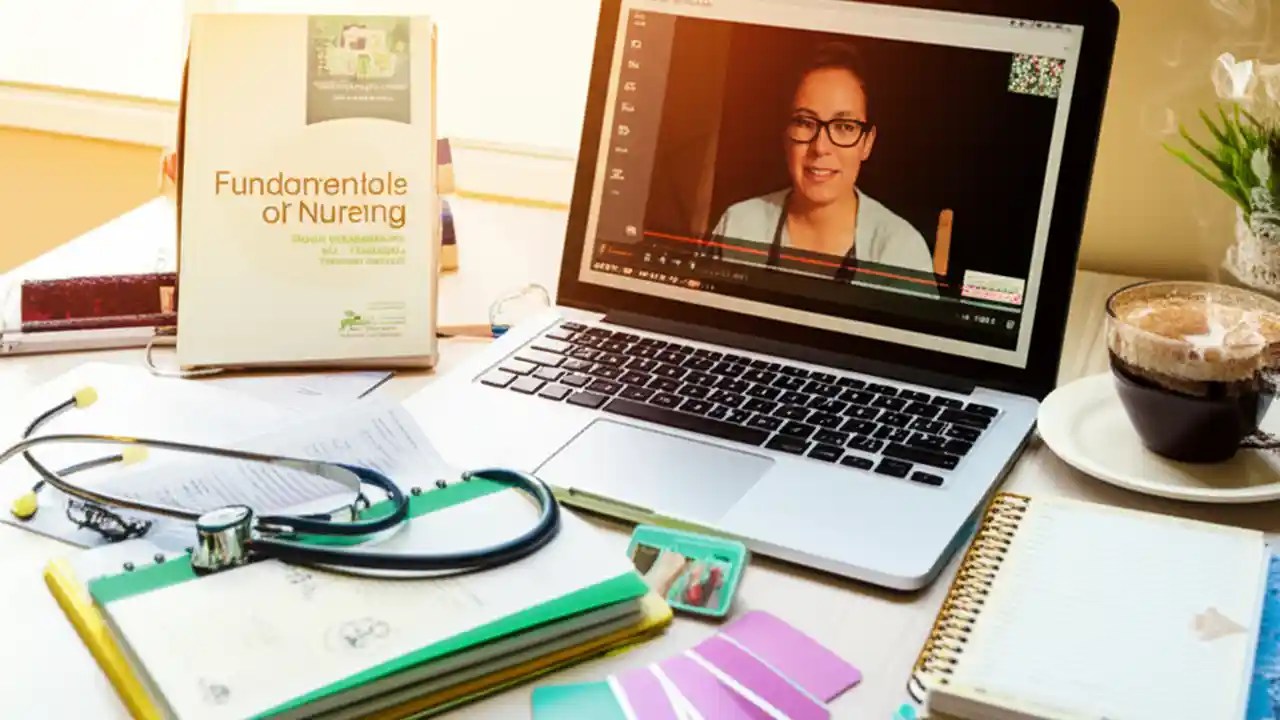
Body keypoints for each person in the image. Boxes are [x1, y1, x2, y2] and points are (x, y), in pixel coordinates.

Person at [711, 41, 936, 284]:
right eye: (805, 123)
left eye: (844, 127)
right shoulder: (739, 227)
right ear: (785, 134)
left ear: (867, 143)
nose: (820, 147)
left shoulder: (898, 251)